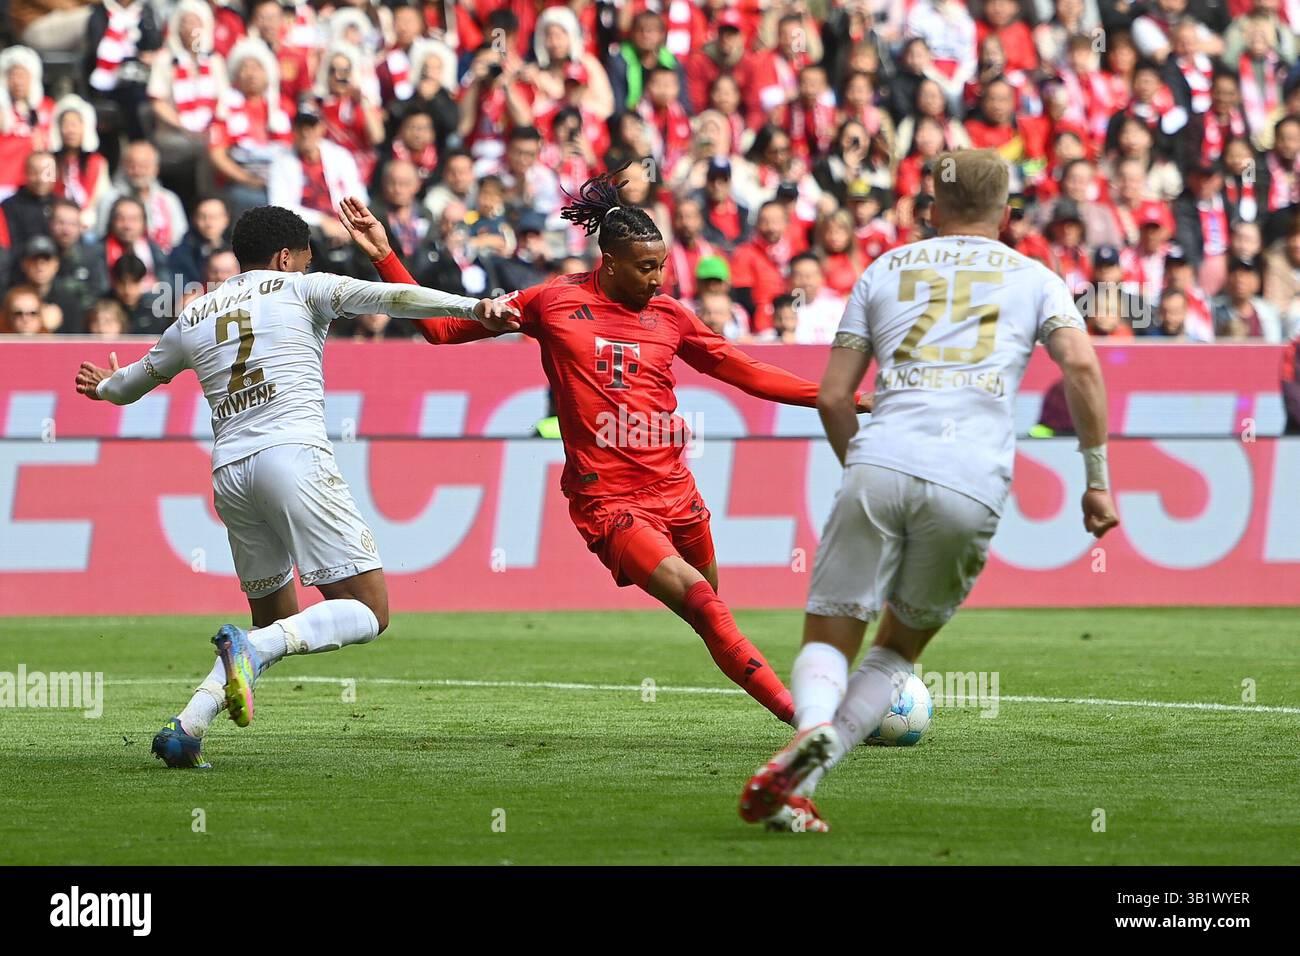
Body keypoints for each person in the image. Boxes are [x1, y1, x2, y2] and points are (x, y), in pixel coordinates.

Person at [337, 171, 872, 726]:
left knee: (708, 603)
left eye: (662, 265)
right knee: (704, 603)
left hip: (677, 491)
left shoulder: (671, 316)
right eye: (646, 267)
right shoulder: (552, 302)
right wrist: (385, 256)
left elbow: (749, 372)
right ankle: (807, 719)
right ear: (610, 263)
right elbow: (440, 329)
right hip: (610, 502)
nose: (657, 279)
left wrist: (847, 398)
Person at [737, 149, 1119, 832]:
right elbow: (1083, 369)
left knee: (831, 631)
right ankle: (808, 774)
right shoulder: (1036, 278)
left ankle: (812, 728)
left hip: (881, 459)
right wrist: (1096, 483)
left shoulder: (883, 269)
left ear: (933, 209)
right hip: (971, 480)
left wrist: (861, 466)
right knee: (896, 650)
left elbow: (832, 397)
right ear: (1006, 214)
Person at [73, 203, 519, 769]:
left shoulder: (194, 314)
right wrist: (474, 307)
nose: (307, 268)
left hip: (230, 475)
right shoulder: (303, 289)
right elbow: (394, 299)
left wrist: (104, 385)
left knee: (275, 622)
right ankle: (244, 652)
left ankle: (188, 726)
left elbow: (128, 386)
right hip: (292, 458)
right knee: (368, 610)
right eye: (305, 260)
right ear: (286, 257)